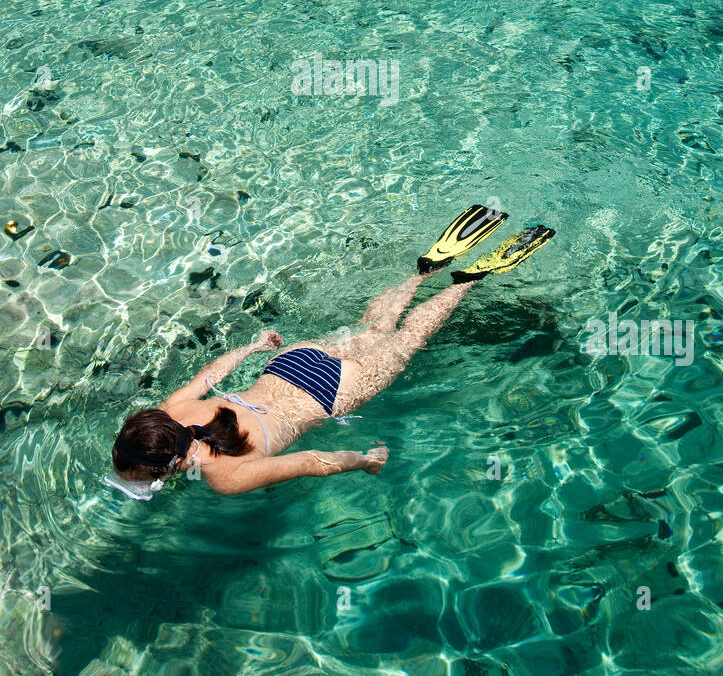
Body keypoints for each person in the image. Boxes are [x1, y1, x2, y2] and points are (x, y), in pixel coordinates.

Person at [106, 206, 554, 500]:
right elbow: (209, 375)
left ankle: (467, 280)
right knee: (374, 326)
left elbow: (308, 463)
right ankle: (423, 273)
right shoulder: (171, 409)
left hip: (330, 394)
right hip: (291, 362)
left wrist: (364, 461)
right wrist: (254, 346)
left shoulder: (225, 477)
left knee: (408, 337)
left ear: (174, 464)